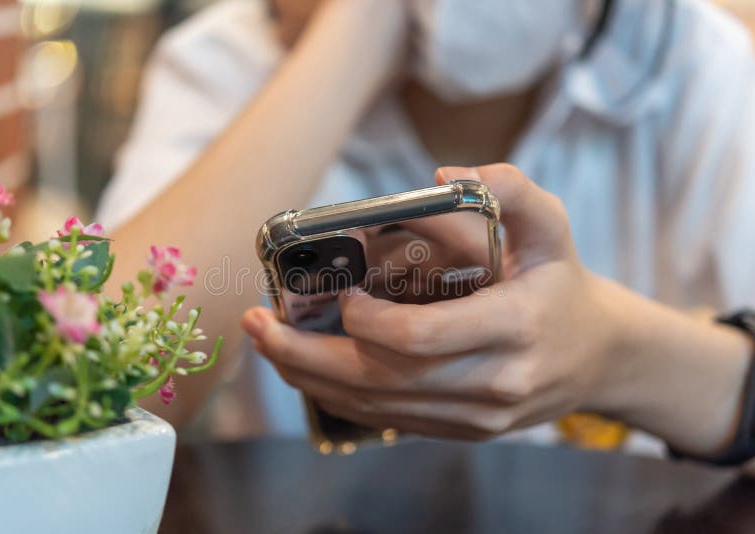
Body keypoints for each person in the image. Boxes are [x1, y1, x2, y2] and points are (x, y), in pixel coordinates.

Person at [98, 0, 755, 463]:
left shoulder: (693, 62)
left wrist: (610, 354)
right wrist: (354, 34)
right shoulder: (223, 60)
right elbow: (90, 392)